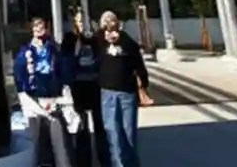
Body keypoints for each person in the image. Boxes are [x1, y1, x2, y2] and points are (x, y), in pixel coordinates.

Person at [13, 17, 75, 167]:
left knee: (60, 145)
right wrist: (25, 97)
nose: (39, 29)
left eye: (42, 26)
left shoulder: (53, 49)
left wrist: (63, 94)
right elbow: (19, 76)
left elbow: (63, 72)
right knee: (37, 145)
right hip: (34, 101)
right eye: (36, 27)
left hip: (53, 100)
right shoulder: (25, 52)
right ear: (31, 30)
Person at [96, 12, 147, 167]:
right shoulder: (99, 40)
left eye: (112, 21)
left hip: (127, 94)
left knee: (129, 134)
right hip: (107, 93)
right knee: (113, 133)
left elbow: (139, 66)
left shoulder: (127, 41)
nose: (110, 24)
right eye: (106, 22)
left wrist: (143, 85)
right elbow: (85, 38)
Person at [60, 11, 106, 167]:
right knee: (81, 127)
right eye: (79, 21)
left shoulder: (97, 40)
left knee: (101, 127)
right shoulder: (70, 40)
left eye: (85, 21)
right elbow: (65, 62)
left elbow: (103, 60)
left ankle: (105, 159)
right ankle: (83, 162)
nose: (82, 25)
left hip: (96, 87)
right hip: (79, 89)